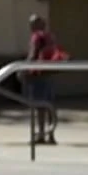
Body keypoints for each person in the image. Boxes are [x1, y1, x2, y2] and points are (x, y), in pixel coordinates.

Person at [26, 14, 61, 144]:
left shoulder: (36, 37)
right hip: (49, 74)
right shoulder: (50, 37)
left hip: (39, 75)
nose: (30, 27)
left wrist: (23, 68)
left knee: (39, 106)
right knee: (50, 106)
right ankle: (51, 135)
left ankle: (41, 134)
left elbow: (33, 55)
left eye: (32, 24)